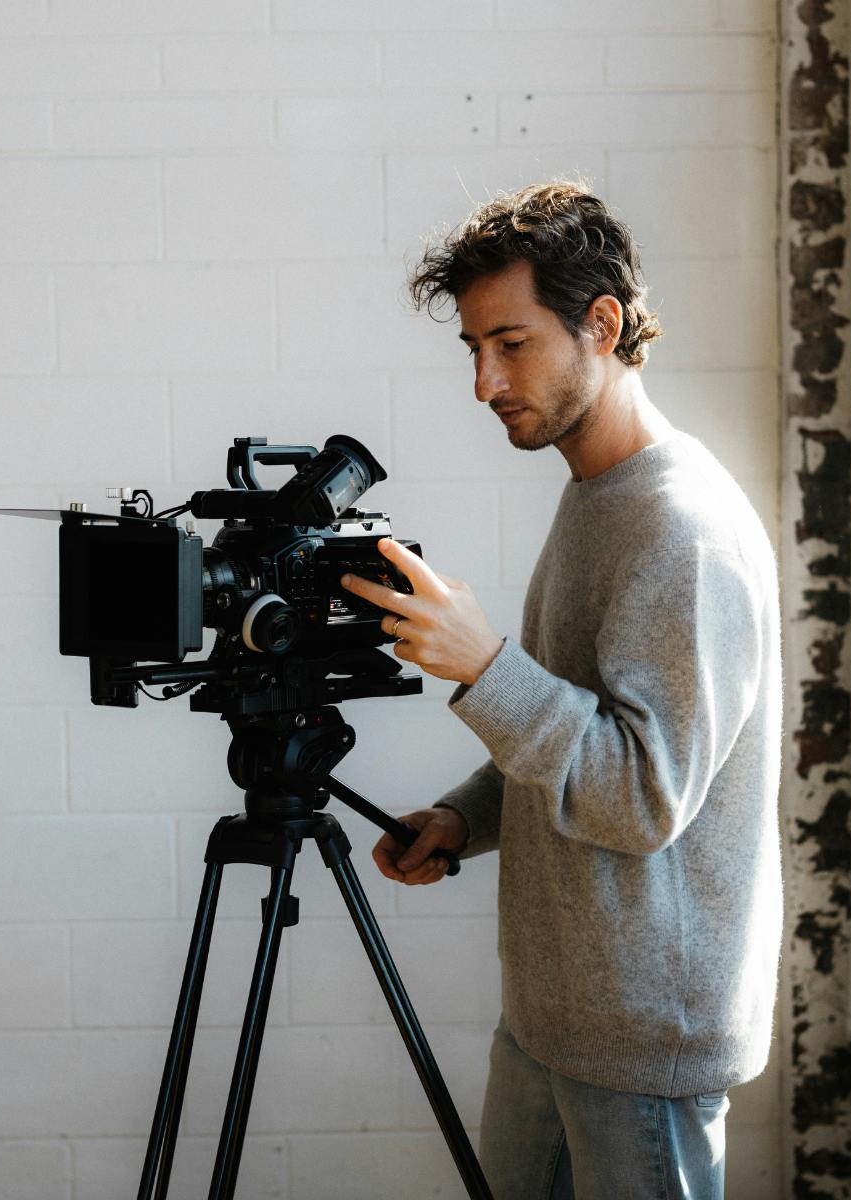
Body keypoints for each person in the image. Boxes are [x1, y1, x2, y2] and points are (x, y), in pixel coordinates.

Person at [339, 181, 781, 1200]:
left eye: (511, 343)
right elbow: (586, 724)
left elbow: (640, 798)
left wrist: (486, 668)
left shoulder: (684, 533)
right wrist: (465, 818)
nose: (486, 380)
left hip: (641, 1047)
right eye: (472, 350)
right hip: (552, 1019)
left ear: (603, 324)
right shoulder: (600, 498)